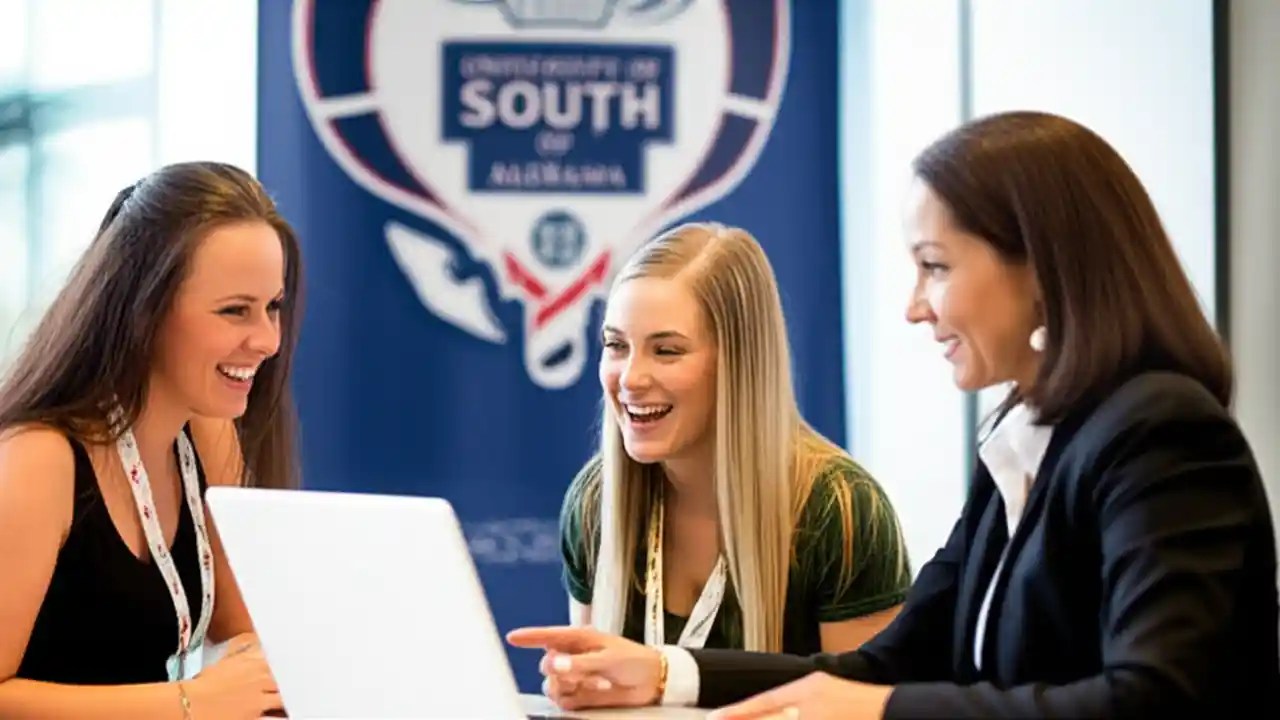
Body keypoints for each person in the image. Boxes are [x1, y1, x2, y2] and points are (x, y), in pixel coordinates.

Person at [508, 111, 1280, 719]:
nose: (915, 307)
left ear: (1041, 268)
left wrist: (879, 711)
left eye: (936, 267)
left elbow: (1159, 699)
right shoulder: (1026, 440)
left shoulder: (1163, 435)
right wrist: (667, 671)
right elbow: (888, 662)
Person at [0, 162, 304, 719]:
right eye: (235, 310)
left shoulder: (206, 434)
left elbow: (240, 635)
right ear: (143, 309)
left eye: (273, 307)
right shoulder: (39, 458)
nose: (266, 340)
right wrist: (188, 702)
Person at [557, 221, 912, 668]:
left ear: (739, 363)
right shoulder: (596, 500)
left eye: (666, 351)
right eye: (616, 345)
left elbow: (863, 705)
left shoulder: (837, 508)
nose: (630, 378)